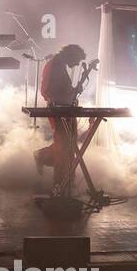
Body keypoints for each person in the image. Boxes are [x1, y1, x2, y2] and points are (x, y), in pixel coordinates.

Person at [33, 43, 88, 182]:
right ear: (70, 55)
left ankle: (66, 180)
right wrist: (62, 99)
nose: (76, 65)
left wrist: (72, 92)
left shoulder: (59, 65)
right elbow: (47, 90)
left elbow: (62, 90)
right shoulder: (53, 65)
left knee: (68, 143)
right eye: (75, 61)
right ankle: (60, 182)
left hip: (64, 109)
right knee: (63, 145)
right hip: (58, 110)